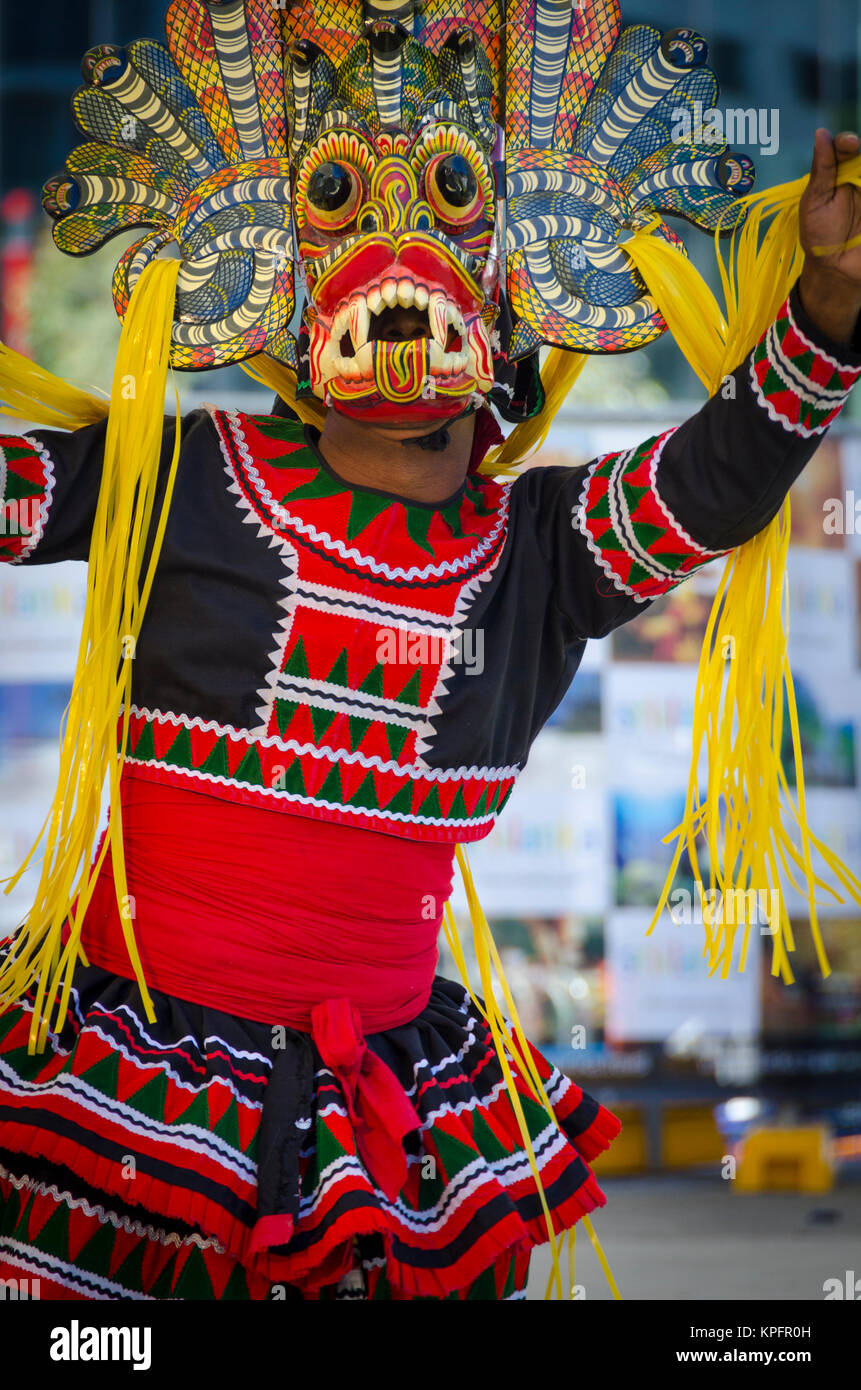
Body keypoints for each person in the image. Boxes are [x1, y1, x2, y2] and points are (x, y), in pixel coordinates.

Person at [1, 0, 860, 1301]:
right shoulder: (175, 479)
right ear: (279, 267)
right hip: (129, 1075)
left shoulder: (541, 553)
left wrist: (831, 305)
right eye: (339, 200)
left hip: (384, 1102)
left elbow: (717, 479)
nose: (396, 260)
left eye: (452, 197)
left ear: (521, 278)